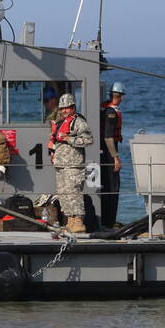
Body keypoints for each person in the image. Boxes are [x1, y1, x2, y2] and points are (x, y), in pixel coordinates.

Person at [49, 92, 93, 233]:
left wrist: (70, 139)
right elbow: (56, 140)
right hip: (61, 165)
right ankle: (70, 221)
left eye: (67, 108)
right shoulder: (61, 122)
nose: (64, 111)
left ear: (73, 107)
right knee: (63, 194)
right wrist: (53, 150)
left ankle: (78, 222)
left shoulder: (79, 122)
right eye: (62, 108)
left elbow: (88, 140)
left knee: (74, 194)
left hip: (73, 165)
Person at [98, 81, 125, 228]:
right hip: (109, 152)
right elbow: (108, 137)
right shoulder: (111, 113)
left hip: (103, 151)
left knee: (105, 186)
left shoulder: (104, 108)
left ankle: (105, 219)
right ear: (120, 96)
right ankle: (108, 221)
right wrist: (116, 158)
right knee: (113, 187)